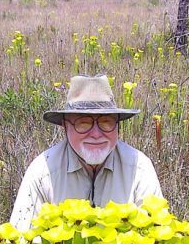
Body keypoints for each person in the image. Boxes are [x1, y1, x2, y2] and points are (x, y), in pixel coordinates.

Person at [10, 74, 163, 232]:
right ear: (65, 126)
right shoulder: (43, 171)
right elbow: (23, 239)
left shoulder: (139, 168)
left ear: (117, 125)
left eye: (106, 122)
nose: (96, 134)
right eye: (83, 123)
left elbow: (157, 232)